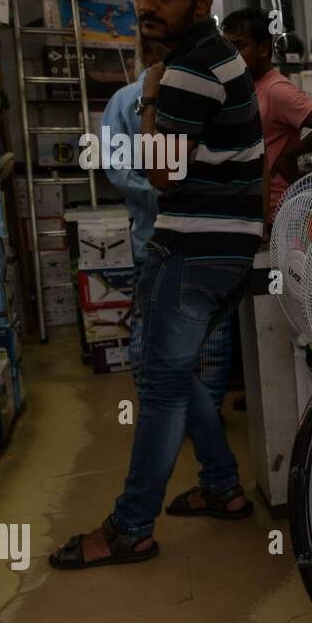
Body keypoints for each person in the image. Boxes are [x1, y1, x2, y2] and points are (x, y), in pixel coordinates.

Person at [51, 0, 264, 569]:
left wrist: (147, 92)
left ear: (201, 2)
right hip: (225, 252)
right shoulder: (217, 56)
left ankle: (129, 527)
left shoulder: (187, 70)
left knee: (163, 384)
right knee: (172, 373)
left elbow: (163, 172)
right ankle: (223, 487)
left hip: (192, 249)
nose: (147, 6)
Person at [102, 36, 234, 411]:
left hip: (162, 239)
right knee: (205, 331)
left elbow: (118, 172)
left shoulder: (123, 101)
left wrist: (161, 190)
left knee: (159, 329)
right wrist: (176, 190)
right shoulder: (134, 101)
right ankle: (199, 414)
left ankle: (163, 412)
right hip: (195, 239)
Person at [220, 8, 312, 226]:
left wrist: (288, 155)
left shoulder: (276, 89)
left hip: (277, 216)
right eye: (228, 47)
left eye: (239, 46)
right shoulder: (246, 87)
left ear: (263, 48)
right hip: (249, 213)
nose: (232, 55)